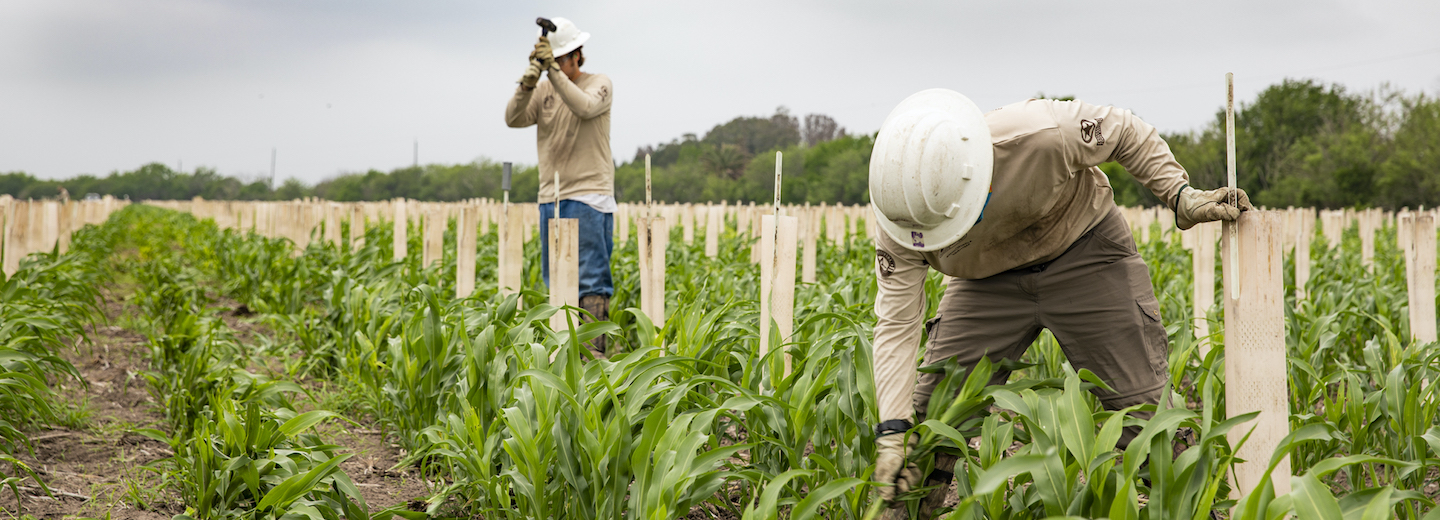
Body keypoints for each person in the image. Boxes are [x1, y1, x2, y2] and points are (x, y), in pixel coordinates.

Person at [866, 89, 1252, 519]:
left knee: (1146, 418)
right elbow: (897, 326)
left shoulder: (1039, 134)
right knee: (934, 421)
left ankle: (1195, 511)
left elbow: (1125, 130)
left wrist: (1180, 195)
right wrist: (892, 434)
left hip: (1084, 252)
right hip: (984, 283)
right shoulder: (899, 222)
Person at [505, 17, 616, 358]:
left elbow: (582, 108)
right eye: (552, 59)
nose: (558, 65)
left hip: (588, 196)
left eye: (562, 58)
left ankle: (593, 356)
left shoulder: (599, 84)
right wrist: (527, 82)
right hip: (551, 198)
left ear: (577, 55)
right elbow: (513, 118)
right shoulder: (545, 90)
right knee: (557, 279)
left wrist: (550, 70)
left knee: (591, 279)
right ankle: (564, 357)